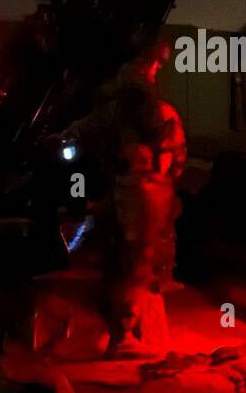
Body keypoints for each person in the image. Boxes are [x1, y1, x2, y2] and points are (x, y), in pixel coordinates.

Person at [67, 39, 186, 356]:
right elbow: (176, 159)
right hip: (145, 194)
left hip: (137, 191)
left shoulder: (116, 110)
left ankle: (134, 330)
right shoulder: (152, 111)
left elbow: (83, 132)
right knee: (138, 263)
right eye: (156, 64)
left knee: (135, 261)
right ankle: (125, 337)